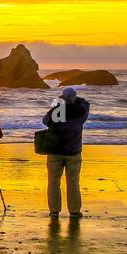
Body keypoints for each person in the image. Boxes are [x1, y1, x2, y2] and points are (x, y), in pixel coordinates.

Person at [42, 86, 90, 218]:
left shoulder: (56, 111)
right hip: (73, 151)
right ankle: (74, 211)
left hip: (55, 151)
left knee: (53, 182)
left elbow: (45, 121)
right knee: (73, 182)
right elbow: (86, 103)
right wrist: (73, 99)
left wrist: (60, 103)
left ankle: (54, 211)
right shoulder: (80, 113)